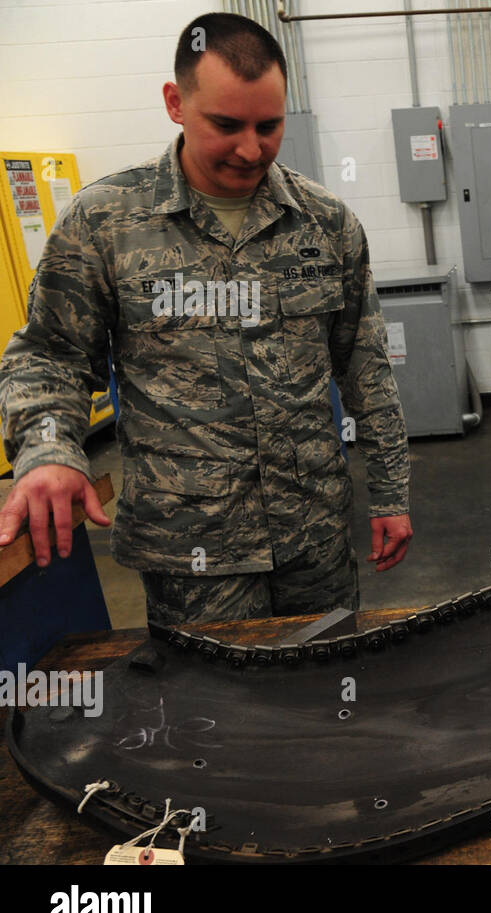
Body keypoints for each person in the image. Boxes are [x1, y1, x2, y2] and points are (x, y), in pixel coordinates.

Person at [0, 13, 413, 625]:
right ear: (176, 103)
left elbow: (364, 364)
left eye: (268, 126)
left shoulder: (326, 223)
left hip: (313, 538)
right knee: (210, 716)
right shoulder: (104, 223)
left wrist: (390, 491)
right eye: (226, 125)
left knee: (329, 702)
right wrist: (50, 447)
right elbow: (49, 355)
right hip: (190, 553)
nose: (251, 149)